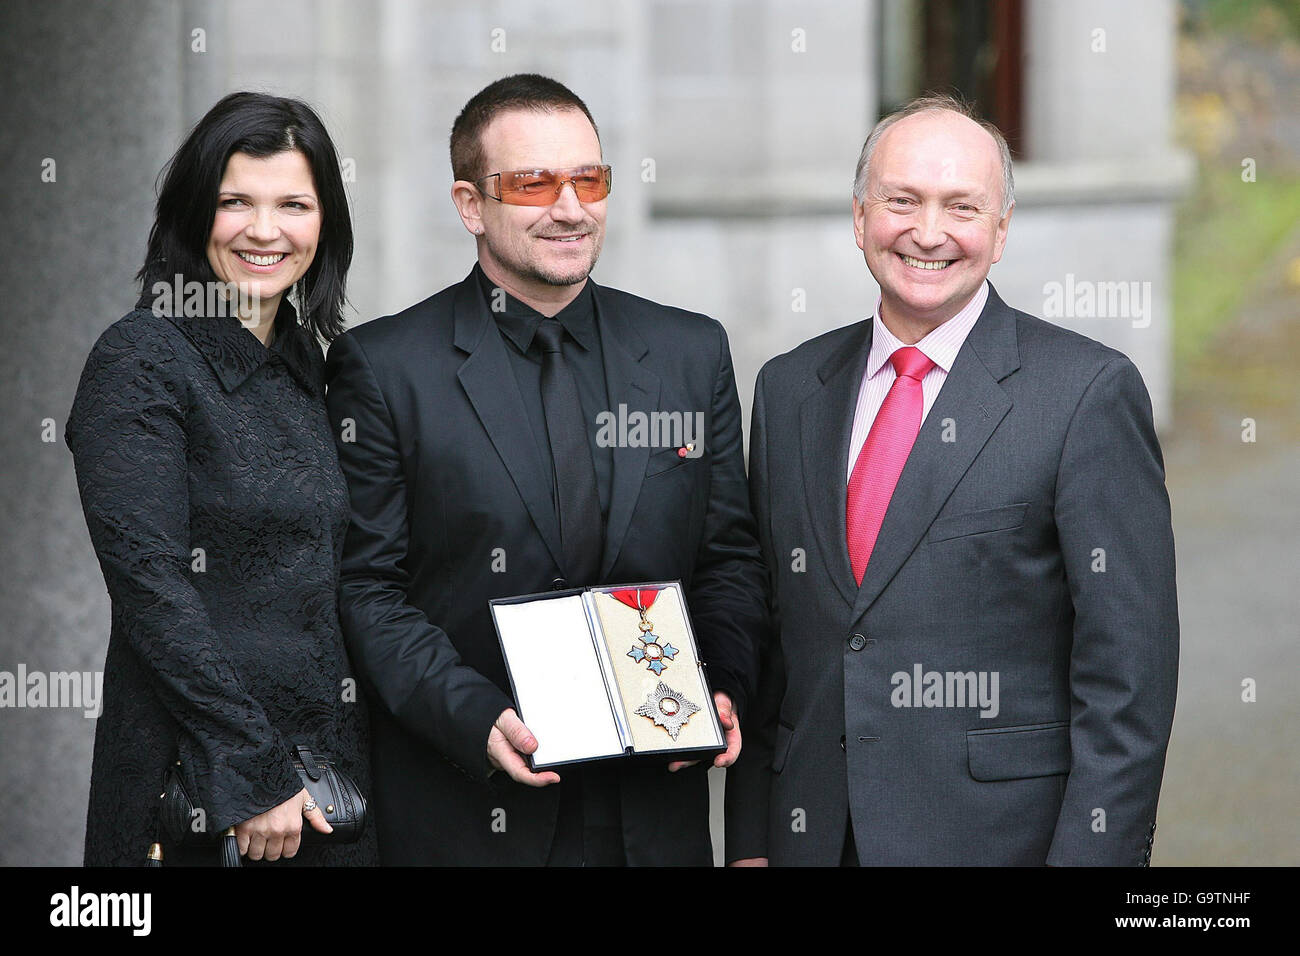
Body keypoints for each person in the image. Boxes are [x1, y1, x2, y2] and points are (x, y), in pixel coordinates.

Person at [725, 94, 1179, 866]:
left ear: (1000, 231)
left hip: (1000, 842)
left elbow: (1128, 678)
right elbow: (778, 642)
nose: (927, 232)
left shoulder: (1085, 395)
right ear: (861, 216)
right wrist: (751, 840)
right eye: (901, 200)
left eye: (961, 206)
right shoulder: (788, 388)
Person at [325, 73, 765, 865]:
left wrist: (722, 684)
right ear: (470, 204)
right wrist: (474, 717)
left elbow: (728, 557)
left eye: (588, 179)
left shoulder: (690, 354)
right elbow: (367, 588)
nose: (570, 208)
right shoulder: (386, 368)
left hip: (654, 816)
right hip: (470, 812)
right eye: (534, 182)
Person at [66, 91, 376, 866]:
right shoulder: (142, 358)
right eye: (235, 201)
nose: (264, 230)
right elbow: (151, 587)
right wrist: (252, 769)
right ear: (193, 212)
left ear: (325, 222)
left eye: (293, 204)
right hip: (199, 788)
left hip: (325, 786)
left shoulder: (309, 364)